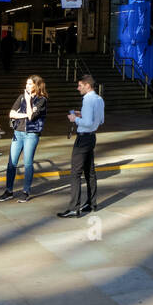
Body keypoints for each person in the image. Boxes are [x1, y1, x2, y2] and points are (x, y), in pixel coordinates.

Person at [60, 74, 104, 218]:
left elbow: (87, 122)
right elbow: (100, 120)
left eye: (80, 85)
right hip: (92, 138)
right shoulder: (99, 99)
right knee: (89, 171)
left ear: (87, 85)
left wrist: (75, 119)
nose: (78, 88)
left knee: (76, 173)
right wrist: (81, 115)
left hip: (83, 138)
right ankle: (92, 203)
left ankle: (74, 207)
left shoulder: (88, 99)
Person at [0, 75, 47, 202]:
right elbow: (11, 113)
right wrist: (25, 113)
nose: (27, 86)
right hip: (18, 133)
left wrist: (28, 101)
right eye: (27, 84)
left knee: (27, 163)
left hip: (31, 134)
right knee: (11, 163)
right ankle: (9, 190)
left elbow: (32, 117)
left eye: (30, 84)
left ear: (37, 86)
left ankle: (26, 191)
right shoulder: (21, 97)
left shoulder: (41, 100)